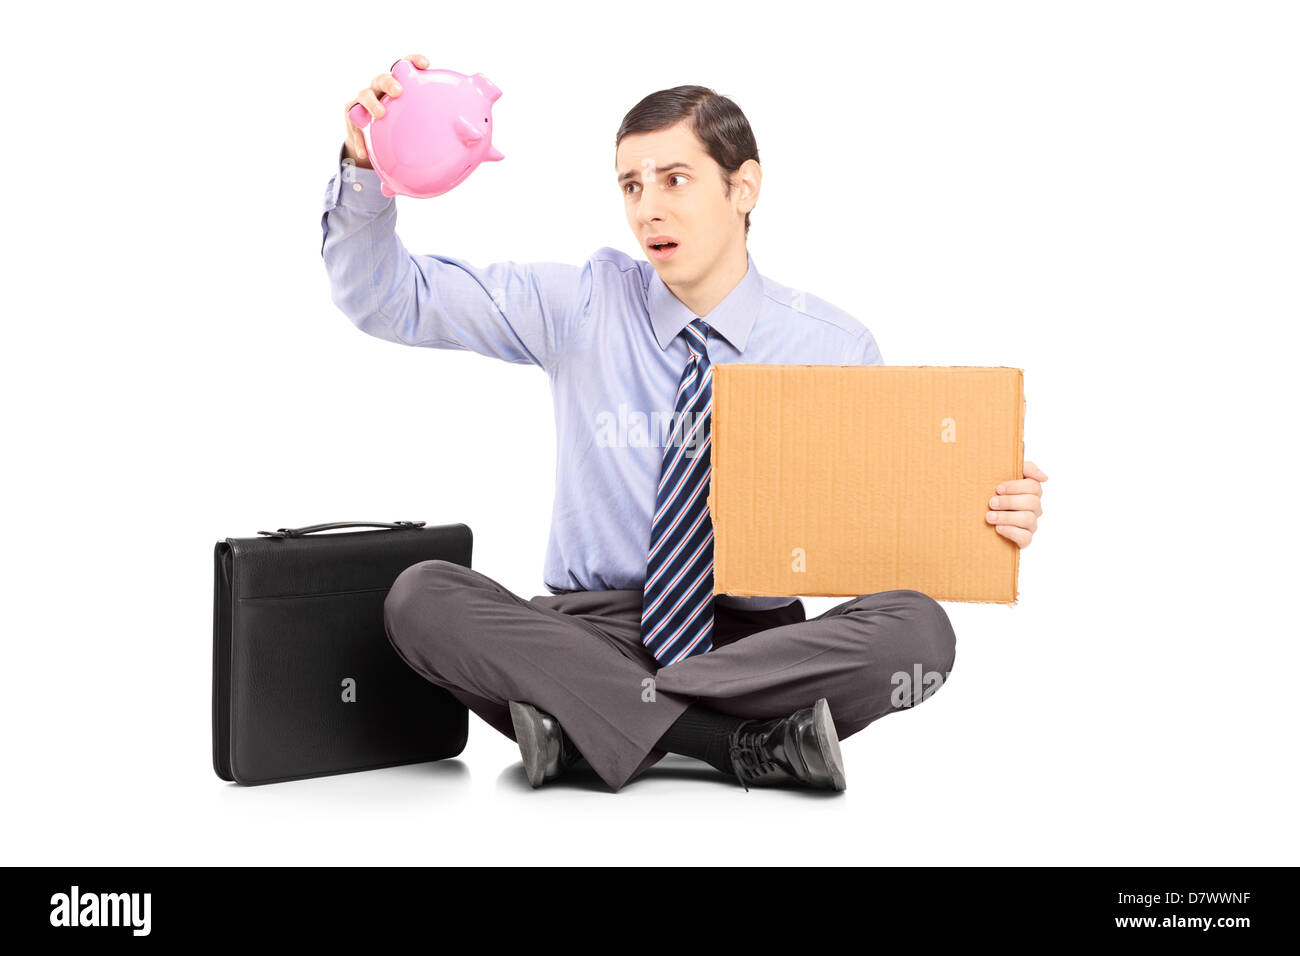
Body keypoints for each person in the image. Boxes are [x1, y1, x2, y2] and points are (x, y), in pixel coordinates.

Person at [320, 53, 1048, 793]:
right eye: (631, 186)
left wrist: (985, 513)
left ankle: (588, 728)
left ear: (744, 186)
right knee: (422, 596)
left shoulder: (836, 348)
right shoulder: (581, 304)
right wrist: (365, 164)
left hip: (757, 644)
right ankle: (736, 744)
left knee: (919, 633)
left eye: (675, 179)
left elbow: (884, 521)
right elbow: (387, 297)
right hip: (586, 631)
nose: (647, 210)